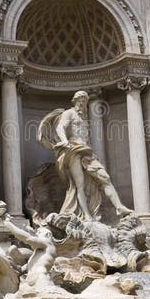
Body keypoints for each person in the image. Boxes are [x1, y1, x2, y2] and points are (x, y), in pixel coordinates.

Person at [38, 90, 130, 221]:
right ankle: (86, 215)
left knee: (105, 178)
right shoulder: (69, 113)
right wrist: (64, 141)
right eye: (80, 100)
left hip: (86, 151)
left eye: (84, 101)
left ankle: (119, 207)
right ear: (74, 101)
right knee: (79, 185)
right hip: (73, 149)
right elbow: (60, 127)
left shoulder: (84, 118)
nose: (82, 103)